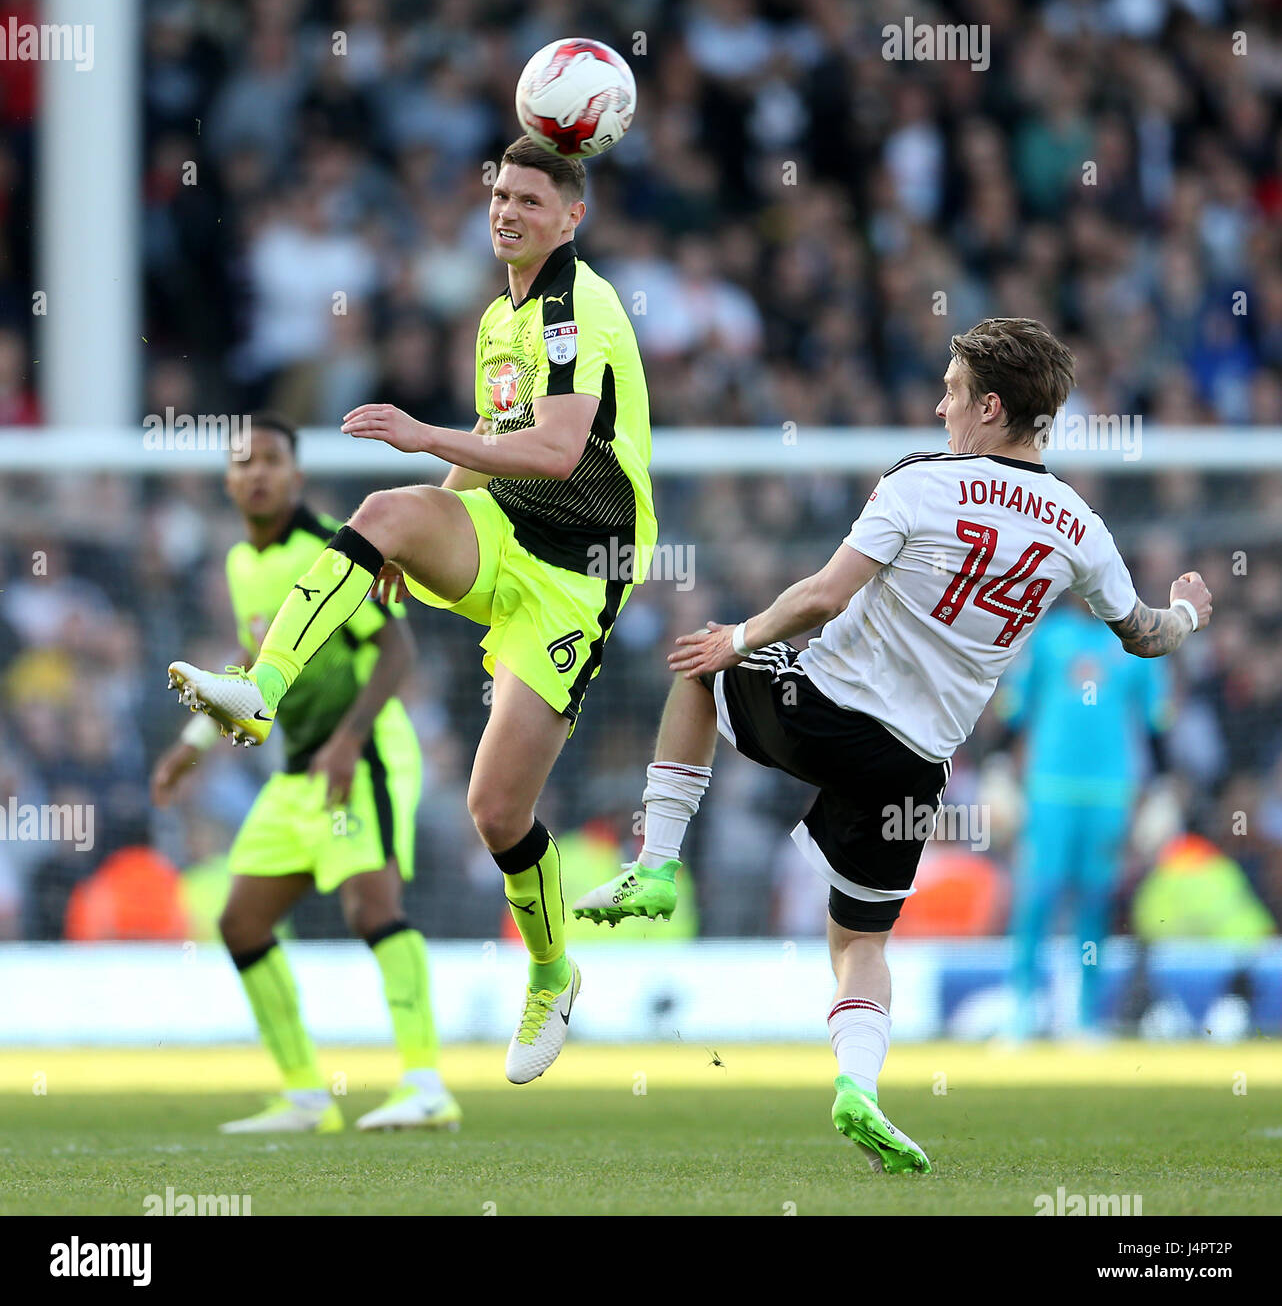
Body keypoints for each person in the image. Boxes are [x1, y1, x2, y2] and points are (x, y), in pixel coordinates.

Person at [574, 317, 1212, 1172]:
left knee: (697, 670)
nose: (938, 406)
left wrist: (742, 634)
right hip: (916, 769)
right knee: (863, 946)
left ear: (990, 406)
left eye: (951, 392)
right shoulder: (1079, 526)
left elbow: (826, 596)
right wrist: (1193, 611)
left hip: (827, 709)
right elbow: (1144, 634)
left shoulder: (921, 483)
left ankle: (655, 865)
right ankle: (859, 1090)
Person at [167, 136, 656, 1084]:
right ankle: (258, 688)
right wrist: (415, 528)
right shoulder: (494, 318)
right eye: (499, 194)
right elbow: (486, 443)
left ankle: (552, 974)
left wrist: (416, 434)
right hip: (506, 531)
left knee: (494, 808)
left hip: (581, 569)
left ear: (571, 217)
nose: (506, 211)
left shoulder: (578, 307)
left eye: (528, 199)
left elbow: (557, 450)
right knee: (380, 514)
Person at [153, 414, 454, 1133]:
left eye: (271, 460)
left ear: (296, 474)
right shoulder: (237, 564)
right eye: (243, 462)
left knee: (371, 910)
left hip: (363, 754)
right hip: (297, 770)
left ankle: (426, 1084)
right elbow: (253, 667)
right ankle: (306, 1096)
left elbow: (397, 651)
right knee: (240, 921)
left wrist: (350, 740)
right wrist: (193, 742)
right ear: (228, 480)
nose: (256, 473)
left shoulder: (332, 549)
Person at [994, 596, 1171, 1039]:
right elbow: (1015, 709)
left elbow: (1155, 722)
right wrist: (997, 767)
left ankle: (1085, 1015)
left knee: (1095, 900)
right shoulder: (1047, 637)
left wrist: (1164, 785)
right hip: (1049, 787)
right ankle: (1022, 1008)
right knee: (1038, 896)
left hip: (1110, 792)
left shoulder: (1135, 639)